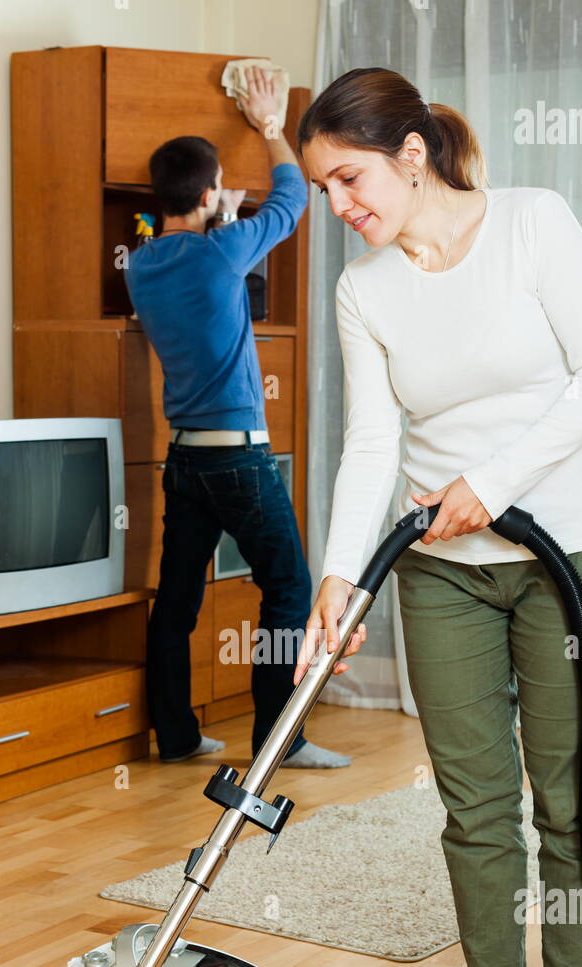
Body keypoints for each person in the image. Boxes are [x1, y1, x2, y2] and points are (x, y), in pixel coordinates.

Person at [294, 67, 582, 967]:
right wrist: (339, 576)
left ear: (409, 155)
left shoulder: (534, 223)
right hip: (441, 575)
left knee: (571, 803)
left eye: (349, 179)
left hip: (564, 562)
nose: (340, 208)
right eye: (322, 191)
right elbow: (367, 442)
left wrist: (488, 483)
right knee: (472, 802)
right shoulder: (365, 290)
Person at [126, 66, 349, 770]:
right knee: (286, 586)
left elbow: (193, 259)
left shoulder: (140, 265)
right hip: (238, 460)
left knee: (178, 600)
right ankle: (277, 745)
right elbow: (291, 200)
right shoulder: (223, 251)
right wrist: (270, 128)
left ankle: (177, 737)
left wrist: (216, 210)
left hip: (184, 459)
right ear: (205, 193)